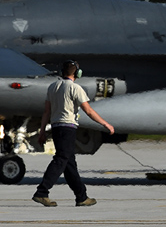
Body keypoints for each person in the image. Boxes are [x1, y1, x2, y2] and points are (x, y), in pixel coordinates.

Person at [32, 60, 115, 207]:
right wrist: (105, 123)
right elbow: (88, 110)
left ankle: (81, 196)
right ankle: (42, 192)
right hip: (68, 128)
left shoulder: (53, 87)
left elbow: (46, 112)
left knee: (69, 164)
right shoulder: (75, 88)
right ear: (77, 73)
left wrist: (42, 131)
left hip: (56, 127)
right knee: (61, 159)